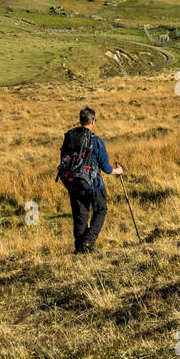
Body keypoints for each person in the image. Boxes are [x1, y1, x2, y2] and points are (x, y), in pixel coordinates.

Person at [58, 106, 123, 253]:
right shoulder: (96, 141)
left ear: (81, 121)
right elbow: (106, 168)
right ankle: (88, 241)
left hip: (73, 183)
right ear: (93, 121)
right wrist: (118, 171)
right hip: (93, 184)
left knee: (80, 216)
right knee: (101, 209)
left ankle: (80, 249)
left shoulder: (70, 139)